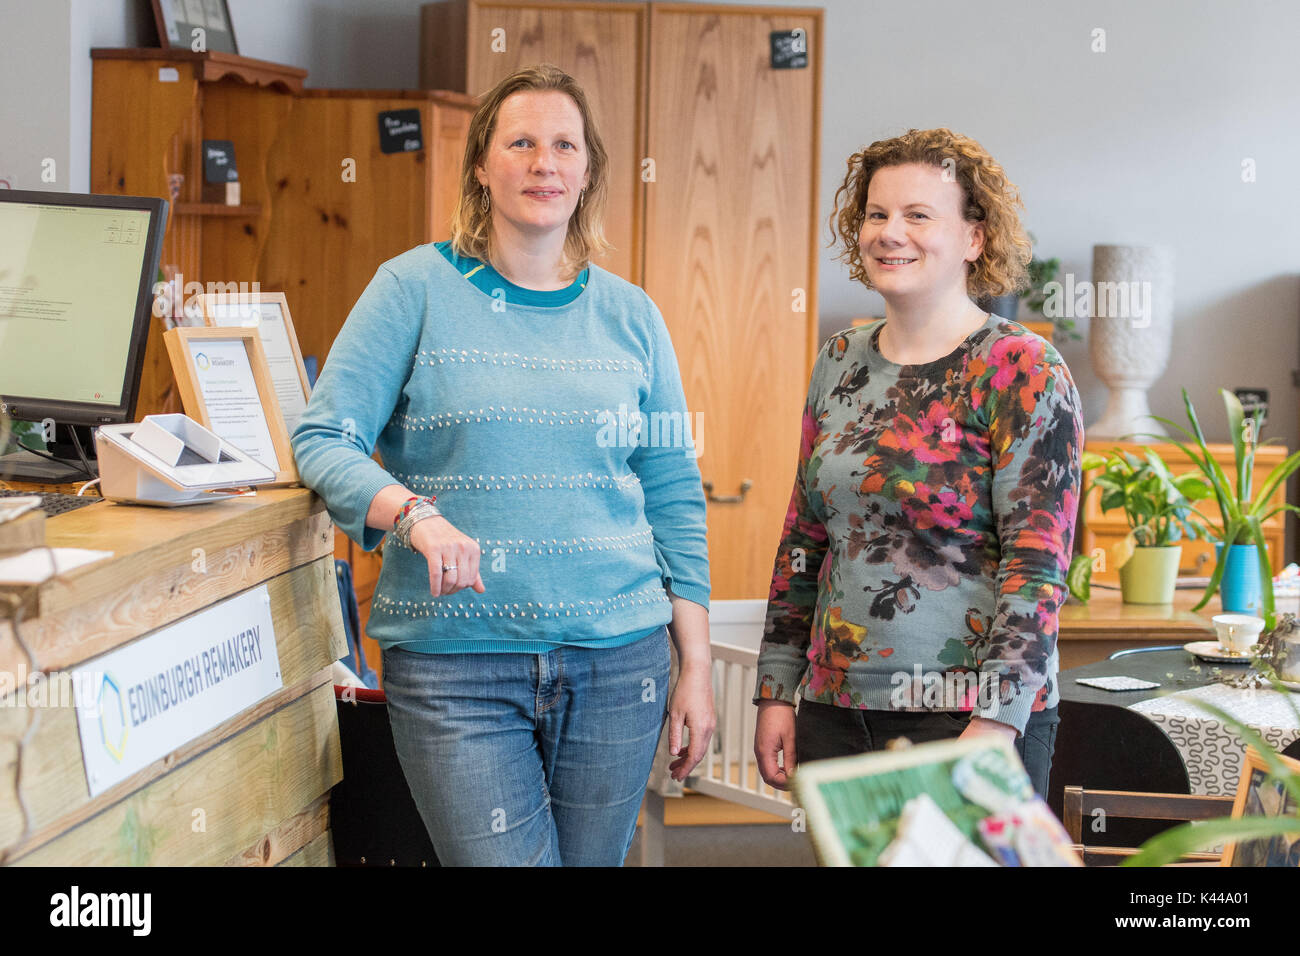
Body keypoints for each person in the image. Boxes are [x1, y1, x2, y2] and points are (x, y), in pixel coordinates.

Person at [291, 64, 714, 866]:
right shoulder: (411, 288)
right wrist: (411, 514)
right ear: (482, 165)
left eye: (563, 145)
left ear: (587, 171)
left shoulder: (631, 314)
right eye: (520, 142)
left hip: (619, 659)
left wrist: (694, 663)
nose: (543, 162)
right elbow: (324, 439)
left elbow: (671, 491)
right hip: (457, 667)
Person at [752, 128, 1083, 798]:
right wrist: (777, 688)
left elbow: (1037, 566)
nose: (889, 232)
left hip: (969, 721)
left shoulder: (1021, 367)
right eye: (876, 214)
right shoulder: (840, 359)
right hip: (835, 714)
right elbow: (804, 538)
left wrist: (997, 720)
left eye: (918, 215)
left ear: (973, 238)